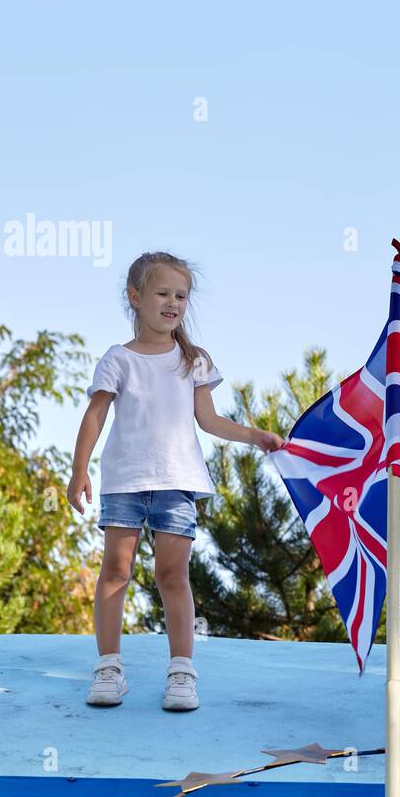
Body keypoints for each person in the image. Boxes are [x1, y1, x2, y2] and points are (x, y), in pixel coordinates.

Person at [67, 251, 284, 711]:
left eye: (181, 296)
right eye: (163, 293)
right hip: (123, 482)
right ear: (135, 297)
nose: (173, 303)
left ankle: (182, 673)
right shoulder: (117, 358)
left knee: (172, 576)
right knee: (115, 572)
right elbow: (96, 415)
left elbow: (209, 420)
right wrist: (79, 469)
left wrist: (254, 436)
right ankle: (108, 667)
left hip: (177, 483)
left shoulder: (193, 361)